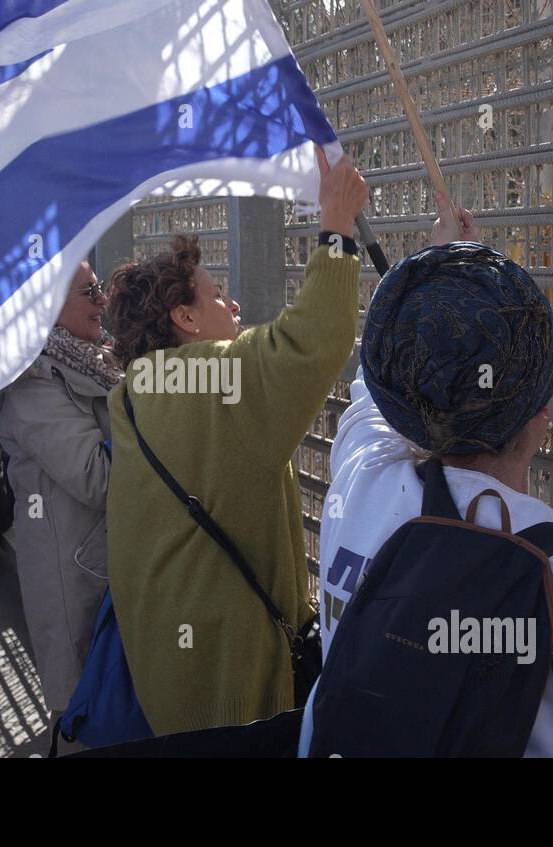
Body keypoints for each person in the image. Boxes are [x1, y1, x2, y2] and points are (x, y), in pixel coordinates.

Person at [298, 221, 553, 757]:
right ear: (544, 409)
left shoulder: (358, 479)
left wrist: (444, 270)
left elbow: (383, 387)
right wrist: (456, 265)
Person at [102, 149, 367, 736]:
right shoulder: (209, 383)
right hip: (235, 700)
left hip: (170, 689)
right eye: (217, 294)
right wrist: (337, 229)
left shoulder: (135, 394)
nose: (234, 304)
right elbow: (312, 341)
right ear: (186, 319)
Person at [0, 260, 119, 722]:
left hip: (106, 568)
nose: (102, 300)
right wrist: (157, 421)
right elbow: (97, 476)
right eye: (89, 291)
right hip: (78, 581)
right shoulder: (33, 388)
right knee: (85, 712)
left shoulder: (93, 361)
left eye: (100, 287)